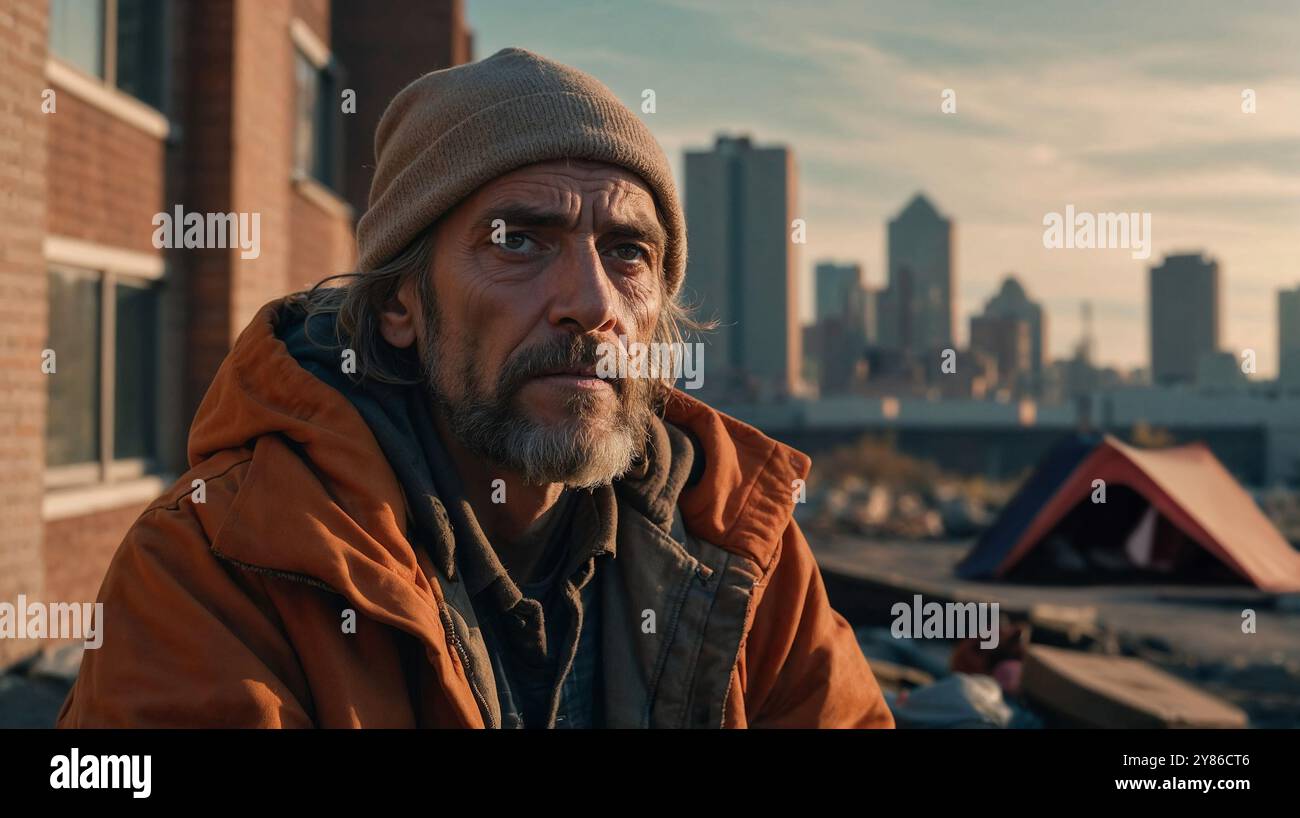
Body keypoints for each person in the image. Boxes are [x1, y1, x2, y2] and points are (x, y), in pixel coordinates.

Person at [57, 48, 893, 728]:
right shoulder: (224, 564)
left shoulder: (740, 545)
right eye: (520, 241)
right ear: (398, 306)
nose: (592, 304)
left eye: (628, 252)